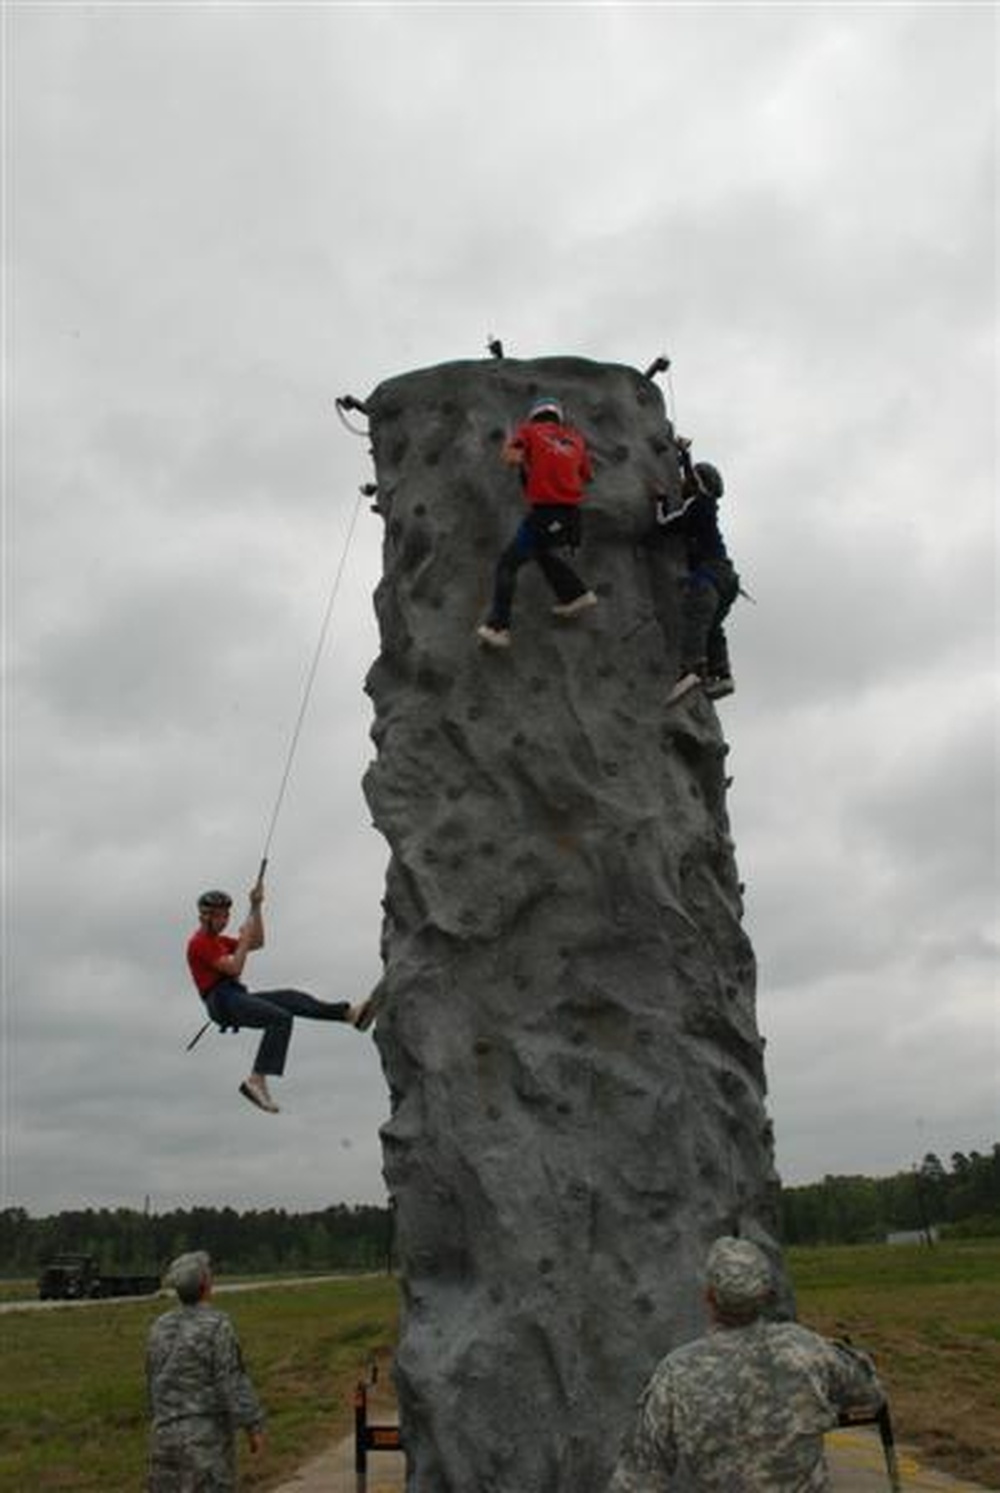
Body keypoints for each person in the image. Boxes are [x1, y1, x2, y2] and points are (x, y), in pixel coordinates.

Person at [608, 1236, 885, 1492]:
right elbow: (870, 1394)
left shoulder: (676, 1373)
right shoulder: (806, 1349)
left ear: (709, 1297)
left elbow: (637, 1479)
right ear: (765, 1295)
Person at [186, 880, 373, 1114]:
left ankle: (348, 1015)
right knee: (280, 1018)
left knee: (291, 998)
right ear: (205, 917)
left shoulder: (219, 941)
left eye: (227, 916)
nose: (225, 921)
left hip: (233, 996)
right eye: (220, 917)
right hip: (220, 1002)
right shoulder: (199, 943)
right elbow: (235, 968)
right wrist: (243, 941)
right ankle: (256, 1080)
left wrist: (256, 907)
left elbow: (257, 942)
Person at [477, 396, 597, 649]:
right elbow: (588, 475)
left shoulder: (529, 431)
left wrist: (522, 458)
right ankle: (574, 594)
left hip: (546, 513)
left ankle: (499, 627)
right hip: (572, 517)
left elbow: (511, 457)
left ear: (535, 415)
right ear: (558, 416)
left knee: (507, 564)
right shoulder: (576, 439)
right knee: (540, 552)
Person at [147, 1250, 265, 1492]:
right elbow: (230, 1381)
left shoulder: (158, 1327)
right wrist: (253, 1426)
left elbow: (151, 1379)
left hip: (163, 1443)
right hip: (205, 1446)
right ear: (205, 1285)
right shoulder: (217, 1325)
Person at [653, 439, 740, 705]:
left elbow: (664, 524)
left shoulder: (698, 505)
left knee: (696, 620)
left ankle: (691, 669)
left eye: (689, 480)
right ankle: (721, 673)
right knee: (713, 626)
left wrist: (660, 500)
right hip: (728, 579)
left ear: (698, 485)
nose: (683, 482)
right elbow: (694, 479)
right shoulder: (707, 508)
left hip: (709, 577)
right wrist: (684, 454)